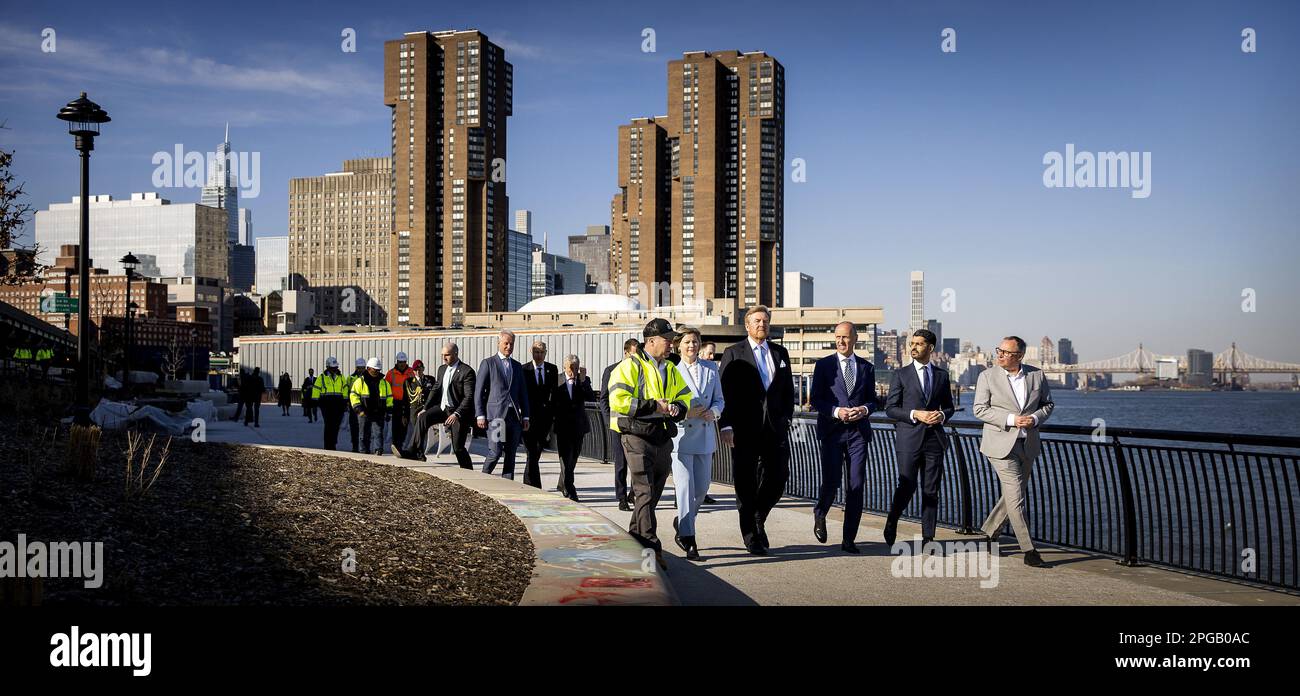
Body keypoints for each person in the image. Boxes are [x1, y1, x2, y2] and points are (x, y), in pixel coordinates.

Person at [608, 319, 693, 570]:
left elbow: (684, 397)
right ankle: (650, 550)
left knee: (651, 495)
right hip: (635, 436)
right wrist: (654, 405)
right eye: (667, 339)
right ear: (651, 341)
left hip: (662, 437)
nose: (671, 344)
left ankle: (633, 538)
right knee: (643, 491)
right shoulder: (630, 365)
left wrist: (678, 408)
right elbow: (618, 400)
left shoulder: (670, 368)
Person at [973, 336, 1055, 568]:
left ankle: (989, 533)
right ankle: (1029, 550)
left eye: (1005, 352)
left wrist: (1035, 418)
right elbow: (979, 409)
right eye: (998, 350)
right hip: (1000, 446)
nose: (999, 355)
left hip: (1027, 445)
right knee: (1016, 498)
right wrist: (1011, 419)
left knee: (1012, 497)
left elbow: (1047, 405)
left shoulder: (1036, 375)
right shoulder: (986, 376)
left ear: (1019, 356)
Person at [719, 305, 794, 555]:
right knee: (745, 483)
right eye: (757, 321)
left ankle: (759, 516)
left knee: (779, 476)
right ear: (748, 326)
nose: (762, 324)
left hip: (775, 429)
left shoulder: (780, 353)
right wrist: (726, 424)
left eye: (765, 320)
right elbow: (724, 392)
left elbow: (787, 391)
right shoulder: (733, 353)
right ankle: (750, 535)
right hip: (743, 429)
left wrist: (786, 418)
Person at [809, 321, 880, 553]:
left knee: (856, 485)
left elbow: (873, 400)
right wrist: (836, 411)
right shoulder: (823, 365)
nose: (840, 341)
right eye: (837, 337)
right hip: (832, 432)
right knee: (832, 481)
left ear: (855, 339)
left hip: (858, 433)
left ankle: (849, 539)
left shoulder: (867, 367)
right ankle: (820, 513)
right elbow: (816, 400)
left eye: (845, 337)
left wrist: (864, 410)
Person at [883, 328, 955, 550]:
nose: (913, 347)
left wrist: (942, 415)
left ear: (930, 348)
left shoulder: (942, 375)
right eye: (911, 343)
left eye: (919, 344)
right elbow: (890, 409)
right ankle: (892, 519)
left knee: (931, 489)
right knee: (907, 485)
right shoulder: (901, 374)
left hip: (934, 440)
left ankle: (928, 538)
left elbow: (949, 407)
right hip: (908, 440)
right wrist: (916, 414)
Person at [670, 327, 724, 561]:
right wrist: (685, 413)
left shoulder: (712, 369)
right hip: (681, 438)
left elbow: (720, 399)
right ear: (678, 346)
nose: (692, 345)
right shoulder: (671, 371)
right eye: (687, 342)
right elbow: (668, 404)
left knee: (701, 489)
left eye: (695, 341)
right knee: (684, 488)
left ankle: (683, 520)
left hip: (705, 435)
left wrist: (714, 412)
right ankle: (689, 538)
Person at [398, 343, 477, 466]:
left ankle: (468, 470)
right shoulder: (442, 369)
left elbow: (469, 397)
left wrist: (456, 414)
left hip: (458, 413)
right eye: (442, 355)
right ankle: (414, 451)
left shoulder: (467, 371)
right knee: (422, 417)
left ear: (456, 354)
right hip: (443, 409)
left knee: (458, 448)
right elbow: (435, 389)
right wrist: (425, 408)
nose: (444, 358)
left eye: (447, 355)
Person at [476, 330, 531, 479]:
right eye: (506, 343)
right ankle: (482, 479)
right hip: (496, 417)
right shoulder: (488, 363)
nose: (509, 346)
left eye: (511, 344)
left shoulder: (517, 366)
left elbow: (523, 393)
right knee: (495, 452)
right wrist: (480, 414)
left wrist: (526, 416)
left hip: (514, 417)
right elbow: (479, 392)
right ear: (499, 343)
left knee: (511, 455)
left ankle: (508, 483)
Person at [601, 339, 640, 511]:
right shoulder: (611, 370)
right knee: (621, 463)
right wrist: (609, 419)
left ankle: (634, 493)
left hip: (636, 425)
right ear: (626, 353)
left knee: (637, 463)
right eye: (633, 353)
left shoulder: (641, 371)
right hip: (618, 425)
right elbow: (603, 398)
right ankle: (621, 497)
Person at [551, 354, 595, 501]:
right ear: (565, 367)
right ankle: (570, 489)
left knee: (573, 458)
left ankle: (562, 483)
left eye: (576, 368)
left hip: (578, 426)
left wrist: (582, 382)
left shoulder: (583, 380)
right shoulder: (557, 380)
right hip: (563, 426)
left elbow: (590, 398)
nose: (573, 371)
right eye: (571, 367)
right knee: (565, 459)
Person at [522, 340, 557, 489]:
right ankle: (533, 484)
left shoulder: (552, 369)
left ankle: (529, 482)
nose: (539, 355)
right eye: (536, 352)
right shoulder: (524, 370)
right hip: (528, 418)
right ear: (532, 352)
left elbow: (554, 393)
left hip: (544, 419)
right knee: (531, 451)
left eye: (542, 352)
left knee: (537, 452)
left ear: (546, 353)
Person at [393, 358, 436, 457]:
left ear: (423, 369)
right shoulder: (408, 382)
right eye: (416, 370)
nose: (418, 371)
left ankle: (418, 453)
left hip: (426, 409)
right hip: (414, 410)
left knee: (422, 432)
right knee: (416, 431)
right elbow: (405, 399)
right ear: (413, 371)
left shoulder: (430, 380)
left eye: (420, 369)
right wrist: (404, 414)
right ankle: (417, 453)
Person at [350, 357, 392, 455]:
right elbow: (353, 395)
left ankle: (378, 451)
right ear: (368, 369)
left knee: (378, 433)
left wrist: (389, 411)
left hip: (378, 412)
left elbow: (389, 397)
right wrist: (358, 409)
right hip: (364, 412)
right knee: (364, 434)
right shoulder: (360, 381)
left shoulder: (384, 383)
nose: (377, 371)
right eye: (375, 369)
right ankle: (363, 452)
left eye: (378, 370)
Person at [312, 357, 350, 451]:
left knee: (336, 425)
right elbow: (316, 389)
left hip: (338, 403)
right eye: (333, 367)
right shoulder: (322, 377)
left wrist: (345, 401)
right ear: (328, 367)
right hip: (326, 403)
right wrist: (315, 401)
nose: (335, 369)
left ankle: (333, 443)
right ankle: (328, 445)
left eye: (336, 367)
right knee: (328, 424)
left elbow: (345, 389)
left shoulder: (341, 377)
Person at [385, 352, 416, 458]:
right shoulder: (391, 373)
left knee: (404, 425)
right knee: (395, 425)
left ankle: (400, 445)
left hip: (407, 403)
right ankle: (396, 444)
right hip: (395, 403)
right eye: (400, 362)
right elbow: (385, 388)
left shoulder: (411, 372)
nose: (402, 364)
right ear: (396, 362)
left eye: (403, 362)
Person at [346, 358, 366, 452]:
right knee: (354, 427)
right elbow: (347, 392)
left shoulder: (367, 378)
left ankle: (363, 446)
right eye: (359, 368)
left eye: (362, 368)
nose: (361, 370)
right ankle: (355, 446)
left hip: (365, 405)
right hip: (354, 407)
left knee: (364, 427)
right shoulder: (350, 378)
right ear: (356, 368)